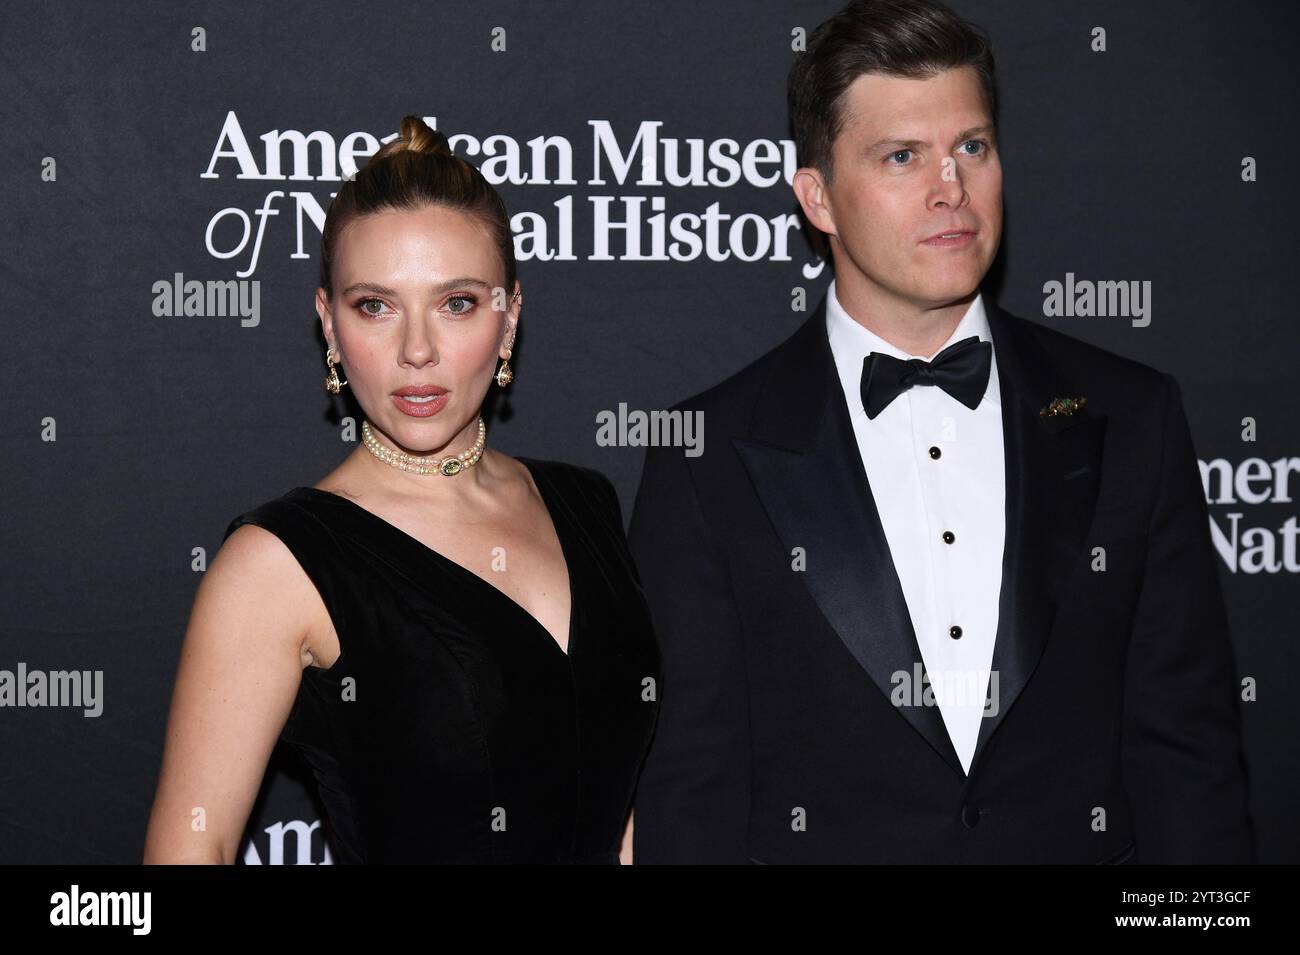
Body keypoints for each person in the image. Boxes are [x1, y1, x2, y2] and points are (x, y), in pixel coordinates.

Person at [628, 0, 1253, 863]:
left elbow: (1189, 763)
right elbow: (690, 797)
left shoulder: (1131, 415)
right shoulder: (706, 452)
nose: (950, 187)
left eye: (972, 146)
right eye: (901, 156)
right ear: (818, 197)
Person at [144, 115, 660, 864]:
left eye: (457, 303)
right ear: (328, 322)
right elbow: (191, 853)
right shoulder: (279, 563)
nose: (417, 351)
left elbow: (625, 809)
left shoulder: (586, 503)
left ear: (510, 315)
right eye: (374, 306)